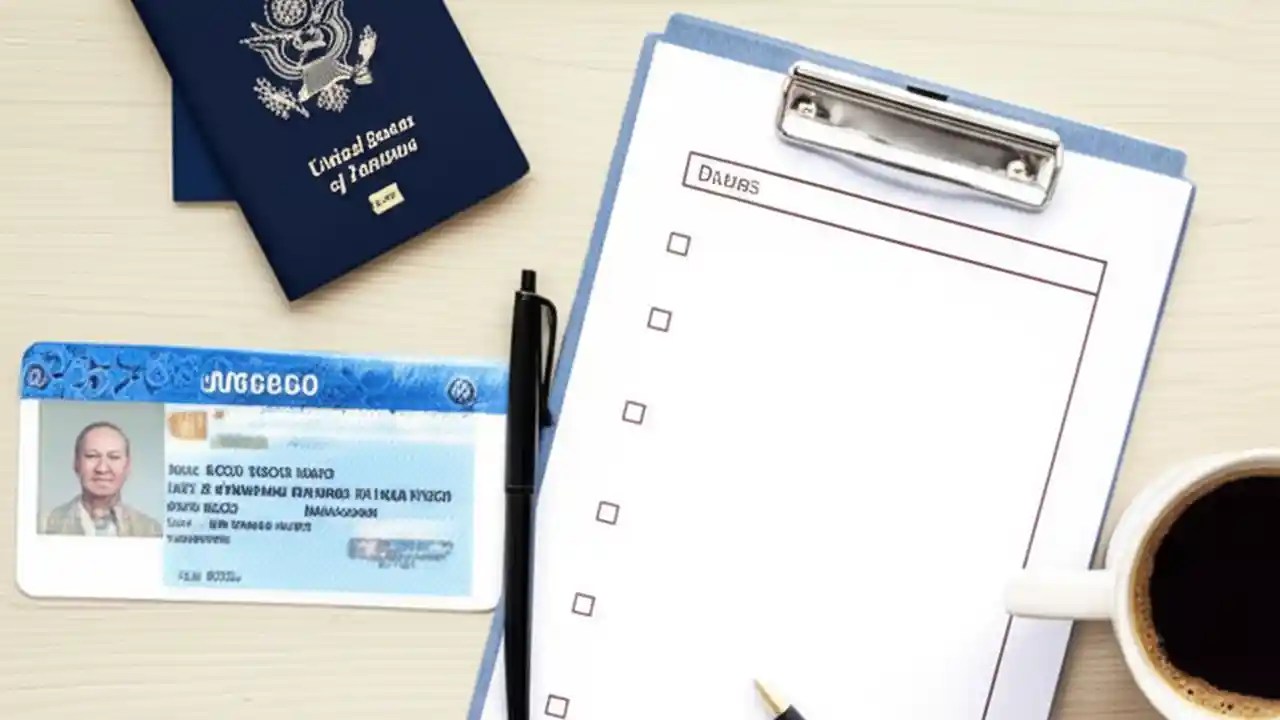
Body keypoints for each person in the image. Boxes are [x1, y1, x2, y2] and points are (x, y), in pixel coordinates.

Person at [43, 421, 161, 537]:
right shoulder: (45, 524)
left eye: (114, 457)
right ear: (76, 463)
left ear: (127, 466)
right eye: (92, 456)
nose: (102, 468)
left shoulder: (149, 530)